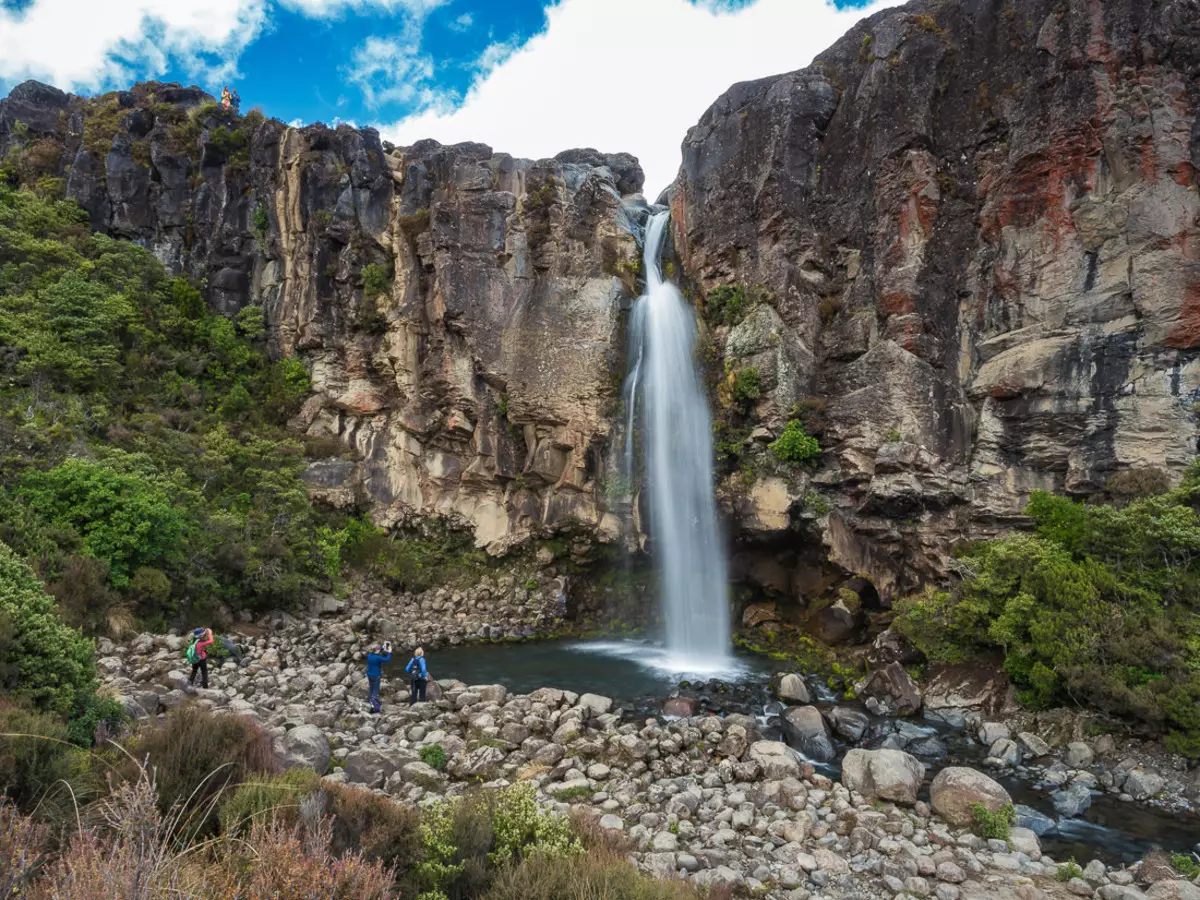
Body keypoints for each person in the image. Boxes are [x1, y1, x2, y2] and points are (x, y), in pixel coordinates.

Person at [365, 641, 392, 714]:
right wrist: (389, 652)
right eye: (379, 650)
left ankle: (367, 704)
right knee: (375, 691)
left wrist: (383, 648)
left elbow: (377, 651)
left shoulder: (369, 656)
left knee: (371, 689)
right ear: (377, 651)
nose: (379, 650)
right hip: (376, 675)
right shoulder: (378, 658)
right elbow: (387, 660)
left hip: (369, 675)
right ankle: (375, 706)